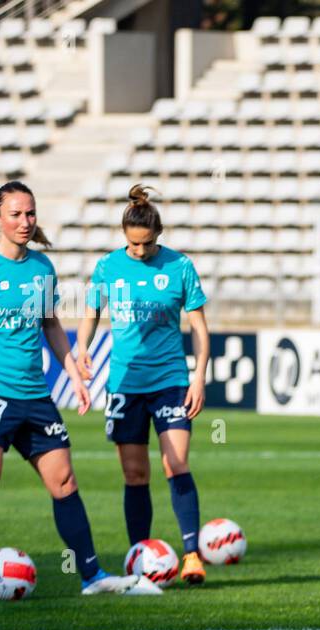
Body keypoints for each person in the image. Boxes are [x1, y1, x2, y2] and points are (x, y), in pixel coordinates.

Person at [0, 181, 140, 599]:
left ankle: (92, 576)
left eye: (30, 214)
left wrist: (75, 377)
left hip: (34, 395)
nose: (25, 222)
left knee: (64, 480)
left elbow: (51, 326)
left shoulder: (43, 269)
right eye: (15, 214)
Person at [77, 184, 211, 585]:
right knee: (135, 475)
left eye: (147, 244)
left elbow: (200, 329)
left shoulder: (180, 267)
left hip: (170, 380)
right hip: (125, 383)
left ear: (158, 235)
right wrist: (81, 347)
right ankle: (140, 557)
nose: (139, 251)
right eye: (133, 245)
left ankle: (191, 555)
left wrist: (199, 376)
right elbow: (90, 313)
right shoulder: (107, 267)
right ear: (124, 237)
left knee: (175, 463)